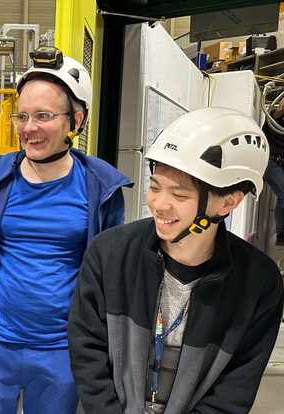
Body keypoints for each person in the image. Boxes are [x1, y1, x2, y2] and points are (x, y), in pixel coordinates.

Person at [68, 107, 284, 413]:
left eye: (179, 195)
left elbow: (234, 389)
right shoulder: (110, 253)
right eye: (155, 187)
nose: (160, 204)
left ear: (229, 200)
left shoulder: (258, 283)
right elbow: (86, 348)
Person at [0, 46, 132, 413]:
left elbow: (109, 272)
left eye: (43, 116)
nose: (28, 128)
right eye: (21, 116)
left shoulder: (101, 188)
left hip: (62, 351)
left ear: (76, 120)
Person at [262, 97, 284, 245]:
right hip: (270, 162)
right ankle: (281, 233)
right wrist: (280, 110)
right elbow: (277, 113)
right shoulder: (274, 118)